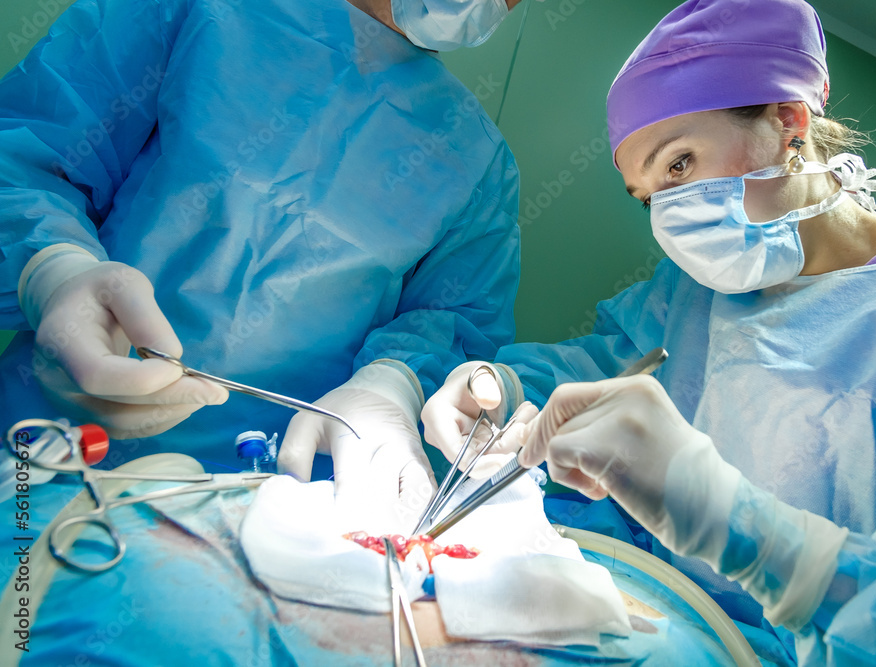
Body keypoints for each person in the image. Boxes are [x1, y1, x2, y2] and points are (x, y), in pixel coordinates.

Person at [421, 0, 876, 664]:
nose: (669, 216)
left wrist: (762, 540)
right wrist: (497, 386)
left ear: (788, 119)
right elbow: (594, 369)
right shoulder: (693, 302)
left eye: (680, 165)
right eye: (647, 198)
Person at [0, 0, 530, 523]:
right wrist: (54, 271)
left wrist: (391, 383)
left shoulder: (477, 161)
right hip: (47, 449)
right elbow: (25, 160)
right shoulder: (193, 12)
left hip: (271, 504)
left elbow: (449, 322)